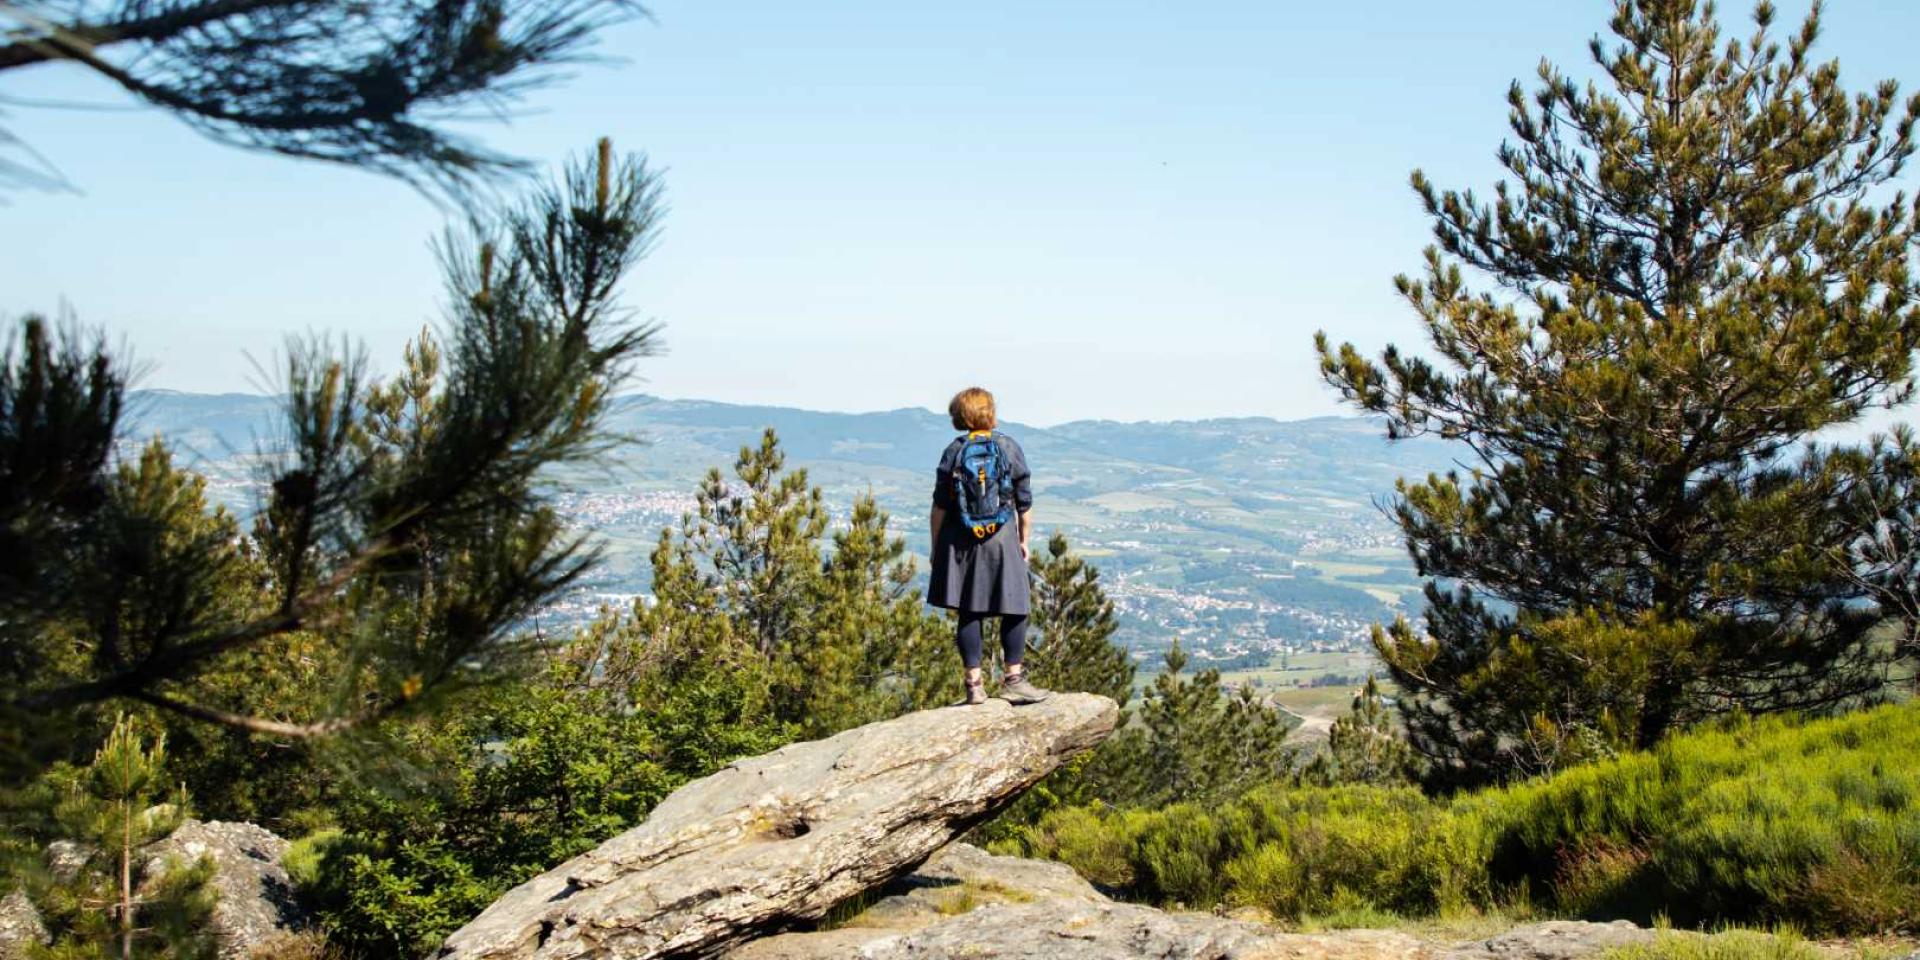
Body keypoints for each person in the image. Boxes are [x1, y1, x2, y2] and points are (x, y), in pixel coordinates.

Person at [928, 386, 1051, 706]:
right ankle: (1014, 679)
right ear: (990, 413)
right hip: (1001, 538)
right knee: (1016, 607)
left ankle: (974, 686)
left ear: (960, 417)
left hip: (961, 541)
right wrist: (1023, 541)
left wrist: (935, 546)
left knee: (970, 611)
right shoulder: (1008, 447)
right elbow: (1024, 503)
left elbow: (940, 505)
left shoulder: (954, 450)